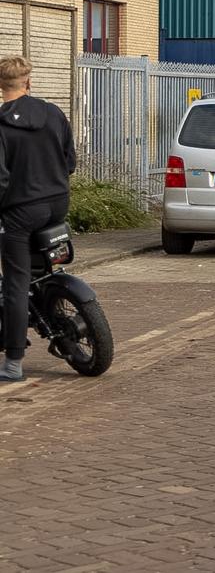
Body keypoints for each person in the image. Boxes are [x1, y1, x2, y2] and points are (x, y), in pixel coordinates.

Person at [0, 57, 76, 382]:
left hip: (20, 212)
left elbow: (1, 180)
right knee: (39, 267)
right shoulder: (53, 113)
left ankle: (13, 362)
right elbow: (69, 160)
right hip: (58, 204)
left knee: (15, 282)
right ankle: (52, 307)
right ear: (29, 82)